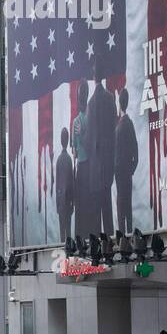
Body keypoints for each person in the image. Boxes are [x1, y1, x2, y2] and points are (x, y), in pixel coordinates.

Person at [86, 76, 117, 234]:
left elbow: (88, 139)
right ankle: (110, 238)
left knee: (97, 210)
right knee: (107, 208)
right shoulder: (110, 98)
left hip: (95, 167)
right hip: (108, 162)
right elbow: (114, 129)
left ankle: (99, 244)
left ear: (94, 78)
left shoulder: (91, 103)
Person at [114, 87, 139, 234]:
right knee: (127, 204)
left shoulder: (120, 127)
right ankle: (127, 233)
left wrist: (122, 169)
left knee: (121, 204)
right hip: (126, 172)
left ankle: (123, 235)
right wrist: (131, 169)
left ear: (119, 103)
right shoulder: (129, 124)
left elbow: (117, 154)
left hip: (120, 172)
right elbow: (135, 151)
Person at [71, 81, 91, 238]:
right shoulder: (88, 119)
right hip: (88, 167)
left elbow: (74, 152)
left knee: (82, 207)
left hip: (83, 167)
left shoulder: (77, 121)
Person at [55, 125, 74, 243]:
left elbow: (57, 183)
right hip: (68, 201)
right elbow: (71, 182)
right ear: (67, 141)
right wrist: (73, 201)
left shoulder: (59, 160)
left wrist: (57, 202)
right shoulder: (68, 159)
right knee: (68, 229)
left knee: (62, 230)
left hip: (61, 200)